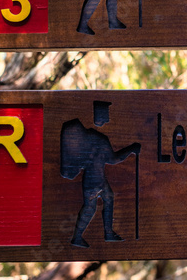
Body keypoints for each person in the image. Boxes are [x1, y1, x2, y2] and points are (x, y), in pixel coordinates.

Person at [60, 101, 141, 247]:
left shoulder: (98, 138)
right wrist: (131, 149)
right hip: (93, 180)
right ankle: (77, 237)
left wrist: (131, 149)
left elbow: (112, 159)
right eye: (103, 116)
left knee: (108, 198)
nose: (104, 120)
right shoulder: (95, 139)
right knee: (90, 208)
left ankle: (108, 233)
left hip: (99, 178)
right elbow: (113, 159)